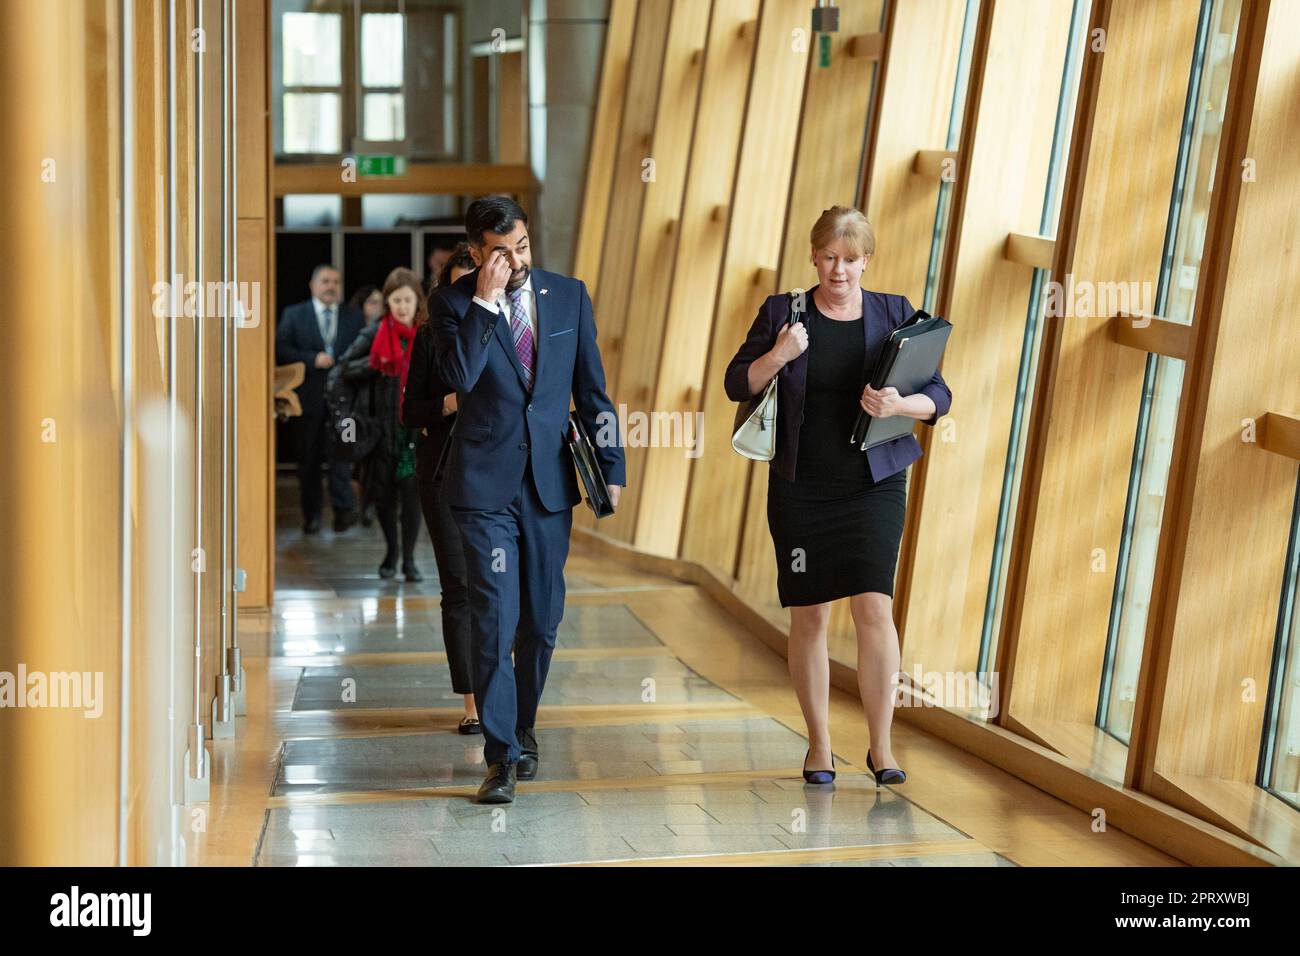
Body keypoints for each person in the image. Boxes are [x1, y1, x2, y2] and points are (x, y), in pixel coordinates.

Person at [723, 205, 952, 788]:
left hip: (873, 483)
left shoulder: (895, 313)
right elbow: (736, 382)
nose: (839, 270)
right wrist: (780, 354)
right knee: (810, 615)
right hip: (802, 487)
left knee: (875, 605)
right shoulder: (784, 312)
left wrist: (900, 405)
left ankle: (881, 747)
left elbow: (940, 394)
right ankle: (819, 745)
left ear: (867, 261)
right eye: (829, 257)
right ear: (813, 256)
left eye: (851, 260)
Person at [432, 197, 625, 803]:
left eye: (522, 247)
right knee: (494, 615)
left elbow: (593, 390)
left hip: (548, 486)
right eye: (500, 251)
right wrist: (485, 304)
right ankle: (501, 756)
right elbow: (459, 377)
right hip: (483, 489)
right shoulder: (452, 305)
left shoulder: (568, 296)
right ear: (475, 251)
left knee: (540, 624)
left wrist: (612, 463)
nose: (514, 260)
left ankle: (522, 725)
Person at [403, 243, 481, 734]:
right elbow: (410, 411)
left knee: (499, 588)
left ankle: (504, 691)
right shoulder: (430, 336)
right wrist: (449, 403)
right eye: (455, 286)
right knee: (460, 587)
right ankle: (474, 704)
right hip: (442, 474)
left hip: (497, 473)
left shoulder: (508, 332)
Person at [331, 268, 426, 581]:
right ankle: (392, 552)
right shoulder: (374, 334)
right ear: (388, 302)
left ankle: (409, 559)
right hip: (379, 429)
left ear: (417, 302)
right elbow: (343, 370)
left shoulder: (426, 335)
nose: (401, 306)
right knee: (385, 496)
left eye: (407, 300)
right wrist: (374, 364)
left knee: (412, 497)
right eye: (395, 300)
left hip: (414, 430)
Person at [275, 264, 364, 533]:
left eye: (336, 282)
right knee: (309, 460)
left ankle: (343, 513)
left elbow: (363, 352)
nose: (331, 286)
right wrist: (312, 359)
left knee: (343, 457)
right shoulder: (294, 314)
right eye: (325, 281)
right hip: (307, 401)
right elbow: (280, 348)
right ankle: (311, 516)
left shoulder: (353, 316)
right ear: (312, 285)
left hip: (345, 404)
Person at [347, 283, 387, 528]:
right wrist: (374, 363)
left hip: (379, 404)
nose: (378, 307)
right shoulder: (355, 332)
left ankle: (372, 505)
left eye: (380, 302)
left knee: (376, 462)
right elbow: (346, 369)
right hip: (357, 405)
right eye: (372, 302)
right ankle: (360, 505)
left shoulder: (385, 330)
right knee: (357, 459)